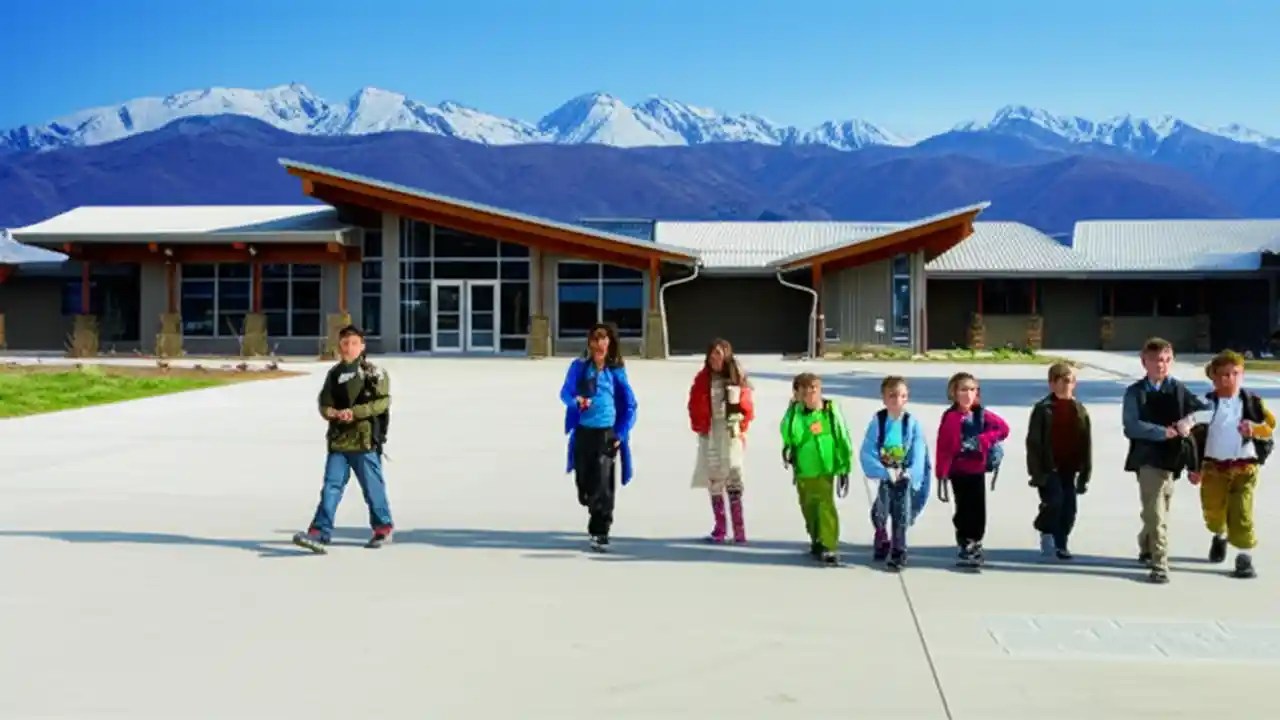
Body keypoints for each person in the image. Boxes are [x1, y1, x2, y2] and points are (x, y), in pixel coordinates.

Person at [292, 325, 393, 553]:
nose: (349, 348)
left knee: (372, 487)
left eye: (354, 343)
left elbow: (383, 402)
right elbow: (324, 403)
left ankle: (382, 527)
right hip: (339, 441)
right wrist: (331, 413)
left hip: (364, 441)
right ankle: (319, 532)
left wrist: (355, 413)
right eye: (345, 343)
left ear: (363, 346)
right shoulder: (335, 374)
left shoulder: (374, 373)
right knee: (331, 487)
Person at [1121, 337, 1209, 584]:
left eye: (1166, 360)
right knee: (1157, 513)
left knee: (1158, 509)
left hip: (1173, 459)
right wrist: (1163, 432)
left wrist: (1189, 421)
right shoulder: (1136, 393)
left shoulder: (1178, 389)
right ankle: (1160, 564)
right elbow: (1131, 426)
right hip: (1148, 458)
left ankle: (1146, 544)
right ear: (1144, 362)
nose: (1161, 365)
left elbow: (1207, 410)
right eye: (1156, 360)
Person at [1188, 350, 1275, 579]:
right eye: (1223, 374)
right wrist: (1194, 467)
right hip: (1214, 468)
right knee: (1213, 511)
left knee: (1242, 512)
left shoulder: (1252, 402)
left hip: (1244, 467)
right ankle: (1219, 534)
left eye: (1235, 373)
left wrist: (1254, 429)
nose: (1229, 379)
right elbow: (1195, 438)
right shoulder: (1207, 404)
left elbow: (1270, 426)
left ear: (1242, 375)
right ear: (1214, 378)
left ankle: (1244, 557)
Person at [559, 322, 638, 552]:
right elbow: (565, 392)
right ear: (590, 343)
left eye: (604, 339)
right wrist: (576, 402)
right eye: (595, 339)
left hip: (607, 434)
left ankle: (600, 529)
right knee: (585, 484)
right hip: (584, 432)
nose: (599, 344)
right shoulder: (579, 367)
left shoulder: (616, 372)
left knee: (603, 485)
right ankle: (590, 502)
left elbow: (631, 405)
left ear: (609, 344)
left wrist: (620, 433)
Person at [935, 371, 1010, 568]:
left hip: (976, 469)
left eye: (972, 390)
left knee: (978, 509)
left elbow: (1003, 429)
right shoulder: (950, 417)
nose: (968, 394)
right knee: (963, 508)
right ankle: (964, 541)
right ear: (954, 393)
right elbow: (943, 446)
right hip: (957, 471)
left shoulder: (982, 415)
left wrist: (984, 439)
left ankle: (975, 542)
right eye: (963, 390)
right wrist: (941, 473)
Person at [858, 376, 931, 571]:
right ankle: (881, 536)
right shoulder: (879, 421)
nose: (897, 400)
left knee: (901, 512)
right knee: (881, 509)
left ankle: (899, 550)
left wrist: (909, 473)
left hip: (903, 476)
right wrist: (881, 470)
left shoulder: (911, 423)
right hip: (885, 475)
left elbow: (918, 450)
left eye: (902, 396)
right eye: (892, 396)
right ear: (884, 398)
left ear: (906, 398)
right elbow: (868, 448)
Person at [780, 372, 854, 567]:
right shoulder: (796, 414)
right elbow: (789, 436)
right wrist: (794, 410)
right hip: (804, 468)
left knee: (825, 505)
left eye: (814, 389)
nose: (810, 394)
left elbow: (842, 436)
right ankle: (817, 538)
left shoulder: (830, 411)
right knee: (809, 506)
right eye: (804, 390)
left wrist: (845, 464)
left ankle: (829, 543)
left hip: (825, 467)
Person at [688, 338, 756, 544]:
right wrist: (700, 424)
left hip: (730, 433)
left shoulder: (737, 380)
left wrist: (740, 419)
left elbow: (747, 409)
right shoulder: (702, 380)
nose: (715, 358)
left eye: (719, 353)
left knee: (734, 476)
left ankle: (739, 529)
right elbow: (693, 404)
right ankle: (720, 528)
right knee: (714, 479)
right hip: (711, 434)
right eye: (712, 354)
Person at [1026, 362, 1092, 560]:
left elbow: (1086, 444)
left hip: (1070, 467)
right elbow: (1034, 443)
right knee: (1054, 501)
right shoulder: (1043, 409)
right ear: (1051, 384)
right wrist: (1036, 473)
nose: (1066, 385)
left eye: (1070, 381)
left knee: (1069, 508)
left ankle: (1061, 542)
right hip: (1049, 468)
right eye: (1062, 381)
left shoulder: (1080, 410)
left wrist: (1085, 473)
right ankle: (1046, 530)